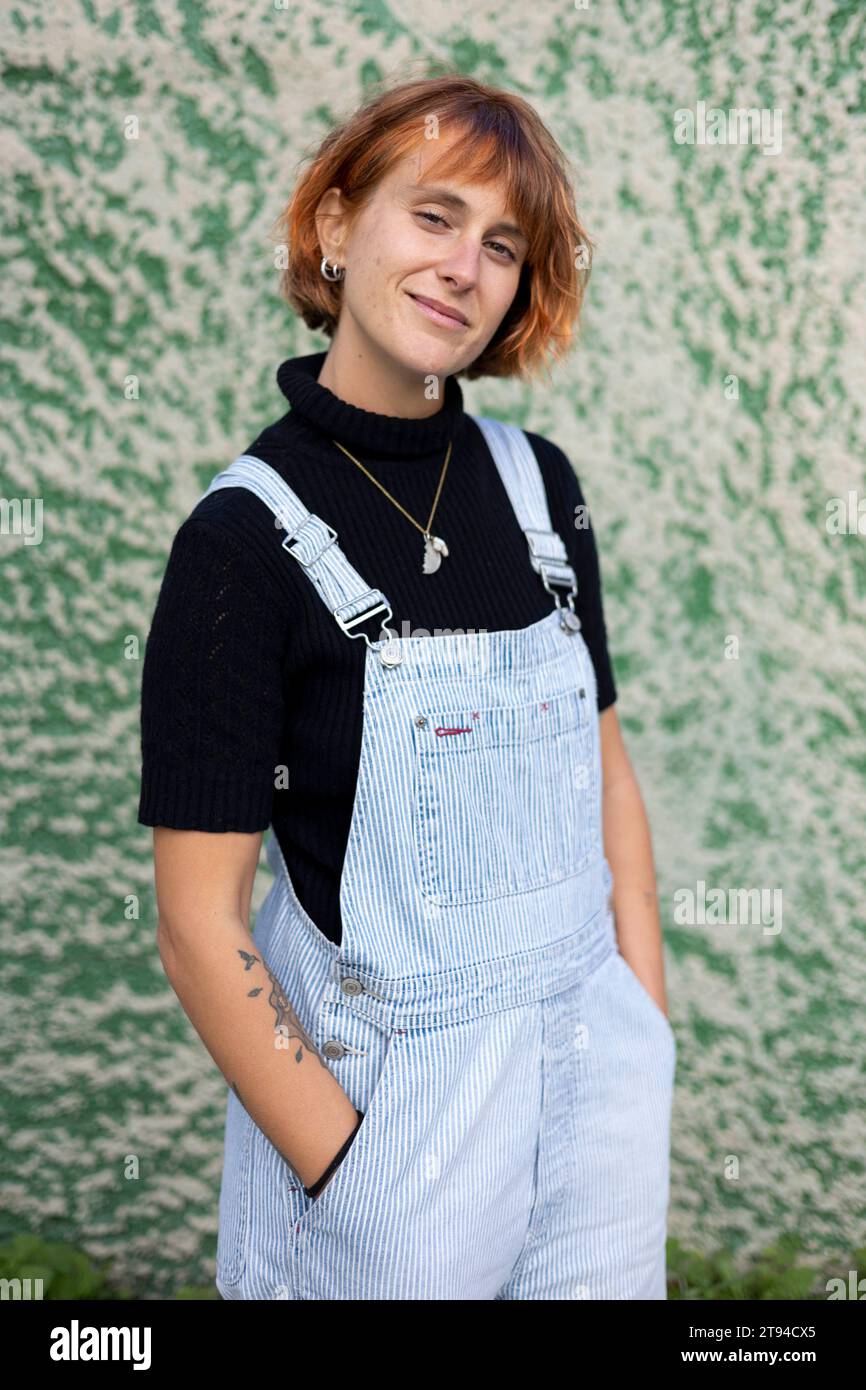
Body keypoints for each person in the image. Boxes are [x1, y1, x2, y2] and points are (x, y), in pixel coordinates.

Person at [138, 72, 676, 1301]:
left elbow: (603, 764)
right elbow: (195, 924)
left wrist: (639, 1023)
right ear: (335, 226)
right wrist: (345, 1169)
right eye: (431, 217)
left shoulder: (540, 490)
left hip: (594, 1099)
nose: (462, 268)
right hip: (392, 1141)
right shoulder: (242, 546)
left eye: (501, 244)